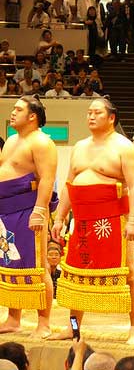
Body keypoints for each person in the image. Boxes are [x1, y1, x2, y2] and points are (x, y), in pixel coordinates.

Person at [50, 98, 134, 345]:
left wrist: (133, 221)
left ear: (111, 117)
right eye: (89, 112)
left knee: (130, 274)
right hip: (81, 220)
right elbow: (70, 185)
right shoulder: (80, 147)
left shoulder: (124, 147)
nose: (90, 116)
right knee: (74, 277)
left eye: (97, 113)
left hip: (113, 219)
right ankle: (74, 328)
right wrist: (59, 216)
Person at [0, 95, 58, 338]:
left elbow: (47, 178)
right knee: (10, 263)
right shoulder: (12, 140)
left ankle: (43, 322)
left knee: (37, 265)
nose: (12, 113)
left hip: (27, 208)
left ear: (32, 116)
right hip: (5, 208)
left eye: (18, 109)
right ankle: (13, 319)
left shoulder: (42, 142)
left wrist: (40, 211)